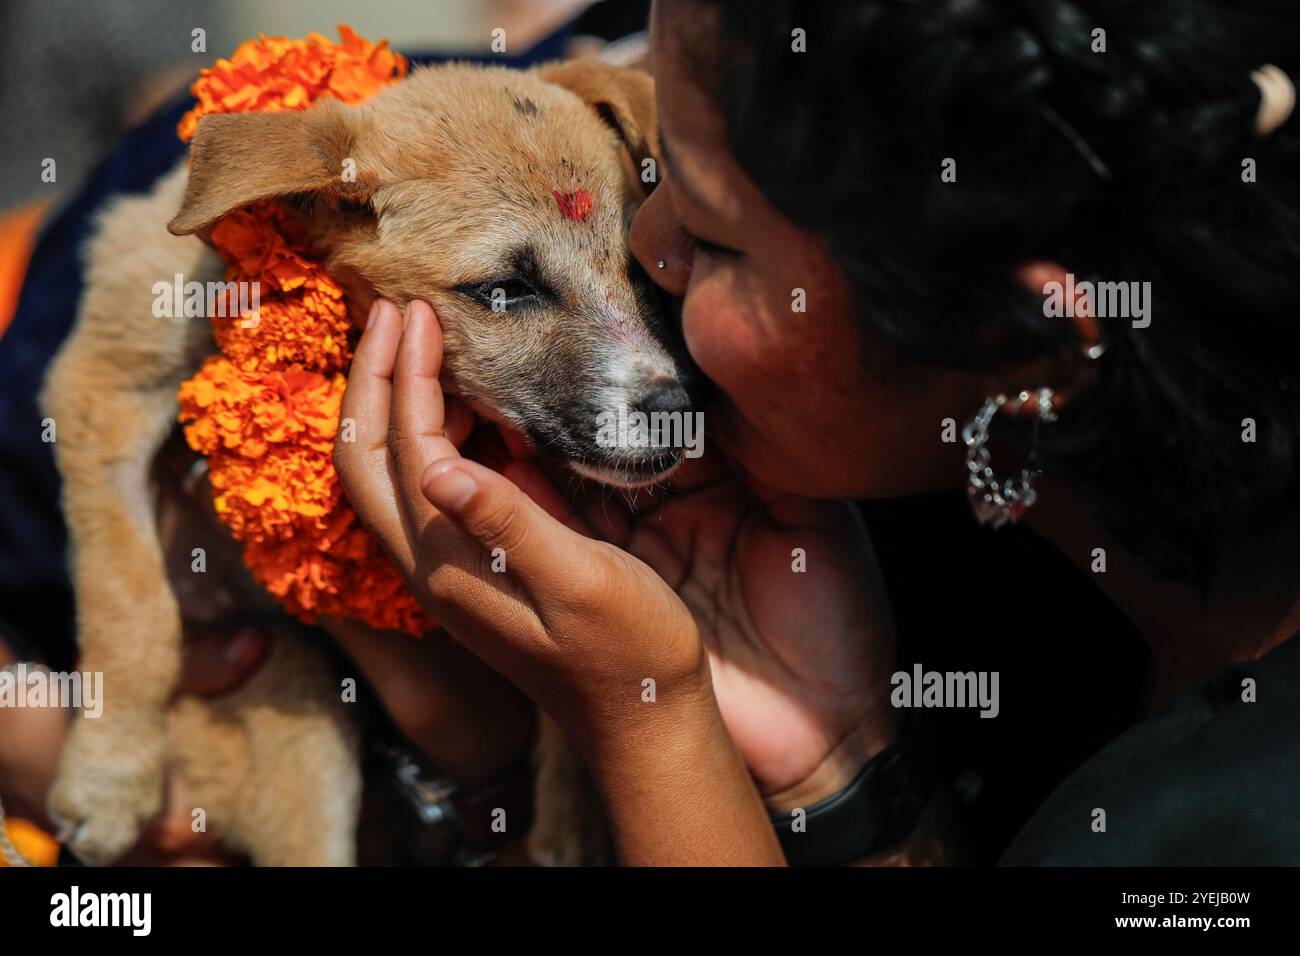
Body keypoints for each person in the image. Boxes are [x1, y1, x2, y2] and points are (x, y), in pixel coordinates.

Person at [333, 0, 1300, 865]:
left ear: (1016, 336)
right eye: (652, 175)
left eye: (710, 238)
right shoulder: (922, 523)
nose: (644, 247)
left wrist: (652, 724)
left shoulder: (1225, 826)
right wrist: (835, 762)